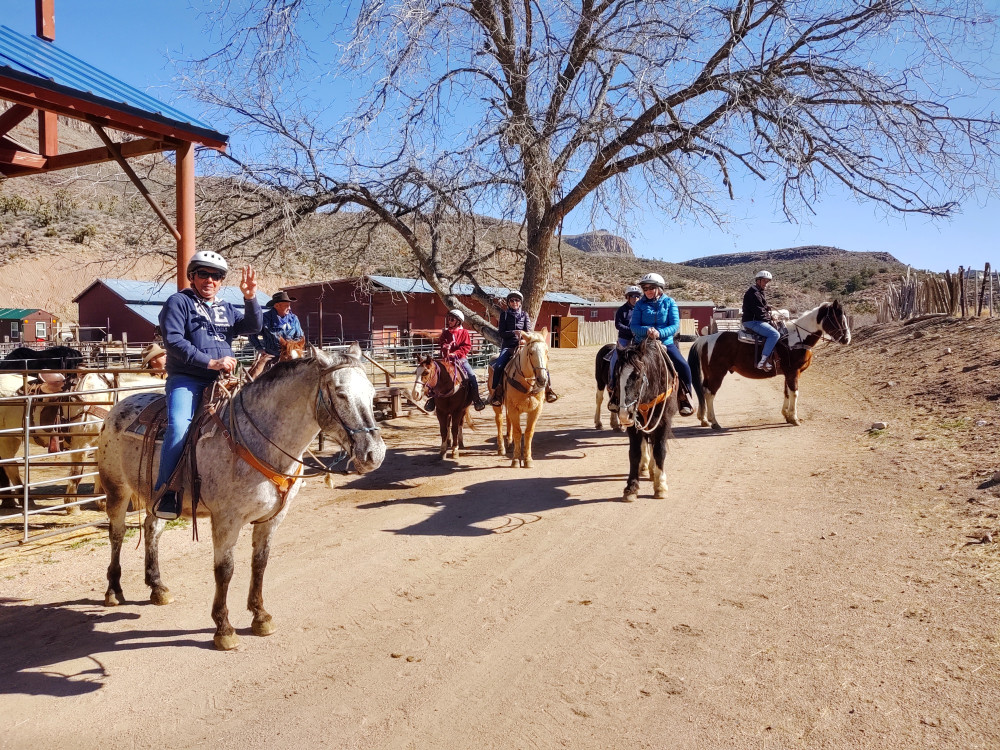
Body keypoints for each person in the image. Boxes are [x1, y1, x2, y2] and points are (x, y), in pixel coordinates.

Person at [152, 251, 262, 520]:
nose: (210, 280)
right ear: (192, 276)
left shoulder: (225, 307)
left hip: (223, 381)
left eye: (216, 276)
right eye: (203, 274)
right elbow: (174, 342)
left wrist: (250, 298)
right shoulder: (179, 303)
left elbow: (253, 326)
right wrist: (211, 362)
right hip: (187, 379)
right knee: (179, 427)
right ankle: (167, 491)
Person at [618, 272, 694, 417]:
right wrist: (647, 331)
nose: (647, 291)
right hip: (642, 344)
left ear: (659, 288)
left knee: (683, 366)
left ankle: (685, 397)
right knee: (624, 367)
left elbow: (674, 325)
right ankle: (618, 397)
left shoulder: (670, 302)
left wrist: (659, 333)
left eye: (651, 288)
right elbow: (634, 326)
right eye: (645, 289)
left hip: (665, 342)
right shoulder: (640, 304)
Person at [489, 290, 558, 407]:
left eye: (517, 300)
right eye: (512, 300)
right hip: (509, 346)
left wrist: (524, 339)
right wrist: (513, 333)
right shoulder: (504, 315)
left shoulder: (524, 315)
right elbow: (501, 333)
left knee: (542, 364)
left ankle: (548, 390)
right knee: (499, 365)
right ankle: (497, 392)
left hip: (523, 345)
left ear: (520, 303)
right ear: (508, 302)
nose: (514, 302)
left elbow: (528, 330)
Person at [425, 309, 486, 412]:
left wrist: (455, 353)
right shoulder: (445, 332)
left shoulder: (464, 332)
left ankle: (476, 399)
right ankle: (432, 399)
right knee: (434, 374)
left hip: (460, 359)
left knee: (471, 376)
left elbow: (466, 347)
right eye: (449, 319)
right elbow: (442, 342)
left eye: (452, 319)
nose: (449, 321)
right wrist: (445, 346)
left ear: (458, 321)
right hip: (446, 359)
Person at [248, 290, 304, 378]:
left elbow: (299, 336)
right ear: (277, 305)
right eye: (286, 306)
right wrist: (259, 349)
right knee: (254, 377)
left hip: (291, 356)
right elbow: (252, 335)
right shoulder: (264, 319)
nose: (289, 308)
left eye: (289, 305)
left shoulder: (294, 319)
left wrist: (292, 348)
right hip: (271, 355)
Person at [741, 270, 780, 371]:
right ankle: (763, 361)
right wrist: (770, 318)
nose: (766, 284)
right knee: (775, 334)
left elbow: (763, 307)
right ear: (758, 281)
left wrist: (768, 309)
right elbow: (759, 311)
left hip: (756, 320)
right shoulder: (754, 293)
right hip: (752, 321)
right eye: (764, 281)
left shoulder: (759, 292)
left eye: (767, 282)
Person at [608, 285, 642, 388]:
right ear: (627, 297)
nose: (635, 298)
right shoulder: (621, 310)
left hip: (639, 339)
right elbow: (618, 325)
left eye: (637, 296)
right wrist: (631, 331)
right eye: (632, 296)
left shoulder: (642, 310)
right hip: (624, 339)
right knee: (615, 358)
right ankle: (612, 381)